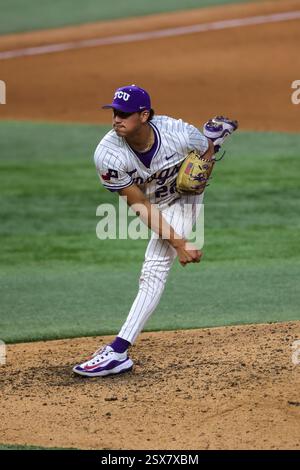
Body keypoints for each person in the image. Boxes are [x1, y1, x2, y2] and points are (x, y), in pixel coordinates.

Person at [73, 84, 237, 377]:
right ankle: (118, 351)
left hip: (183, 198)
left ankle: (118, 352)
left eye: (124, 114)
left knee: (154, 268)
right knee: (159, 256)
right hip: (151, 203)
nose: (116, 119)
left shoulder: (178, 132)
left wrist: (211, 152)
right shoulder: (107, 154)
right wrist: (180, 242)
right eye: (114, 112)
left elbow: (204, 157)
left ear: (144, 114)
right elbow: (140, 205)